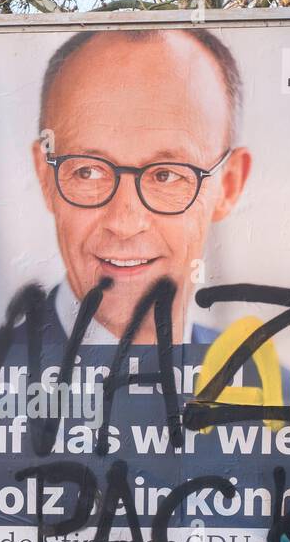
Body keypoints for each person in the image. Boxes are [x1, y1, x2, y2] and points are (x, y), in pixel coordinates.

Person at [27, 27, 252, 347]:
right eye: (88, 172)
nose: (124, 223)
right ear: (45, 177)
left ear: (229, 184)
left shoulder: (274, 390)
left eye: (166, 175)